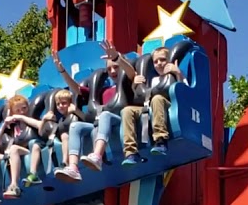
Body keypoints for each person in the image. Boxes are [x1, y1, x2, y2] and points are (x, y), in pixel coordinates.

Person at [53, 41, 137, 182]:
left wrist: (117, 57)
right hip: (100, 124)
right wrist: (62, 71)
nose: (113, 71)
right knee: (75, 126)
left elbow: (130, 72)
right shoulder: (102, 90)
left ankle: (97, 156)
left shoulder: (126, 83)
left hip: (119, 120)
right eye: (109, 69)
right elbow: (77, 89)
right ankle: (73, 167)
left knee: (104, 115)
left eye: (116, 67)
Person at [121, 47, 184, 165]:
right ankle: (131, 152)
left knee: (157, 98)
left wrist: (178, 73)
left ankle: (160, 140)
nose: (159, 64)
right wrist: (135, 84)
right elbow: (138, 96)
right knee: (127, 110)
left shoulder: (174, 75)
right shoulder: (151, 79)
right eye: (156, 61)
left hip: (167, 105)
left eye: (162, 60)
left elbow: (183, 90)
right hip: (147, 106)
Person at [0, 94, 43, 205]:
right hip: (16, 154)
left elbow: (40, 126)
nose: (21, 112)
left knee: (14, 149)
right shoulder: (13, 129)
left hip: (32, 150)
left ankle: (14, 185)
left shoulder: (32, 120)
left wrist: (22, 118)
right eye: (17, 110)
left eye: (24, 108)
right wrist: (5, 124)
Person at [43, 88, 80, 173]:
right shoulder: (60, 121)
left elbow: (86, 119)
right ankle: (64, 162)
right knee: (64, 135)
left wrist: (76, 111)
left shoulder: (74, 115)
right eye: (58, 104)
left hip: (78, 136)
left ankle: (66, 162)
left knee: (65, 135)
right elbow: (41, 132)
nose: (60, 106)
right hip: (66, 139)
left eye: (63, 103)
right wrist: (44, 120)